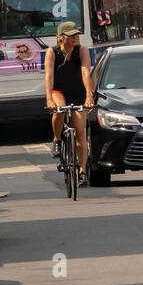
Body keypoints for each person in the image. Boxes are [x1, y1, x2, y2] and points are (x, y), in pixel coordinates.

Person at [45, 22, 94, 186]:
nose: (75, 37)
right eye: (71, 35)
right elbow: (49, 76)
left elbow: (85, 72)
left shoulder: (82, 50)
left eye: (76, 34)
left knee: (80, 130)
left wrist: (88, 96)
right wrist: (49, 99)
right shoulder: (52, 52)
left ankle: (82, 171)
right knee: (58, 111)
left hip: (78, 92)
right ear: (60, 37)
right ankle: (57, 139)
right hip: (59, 91)